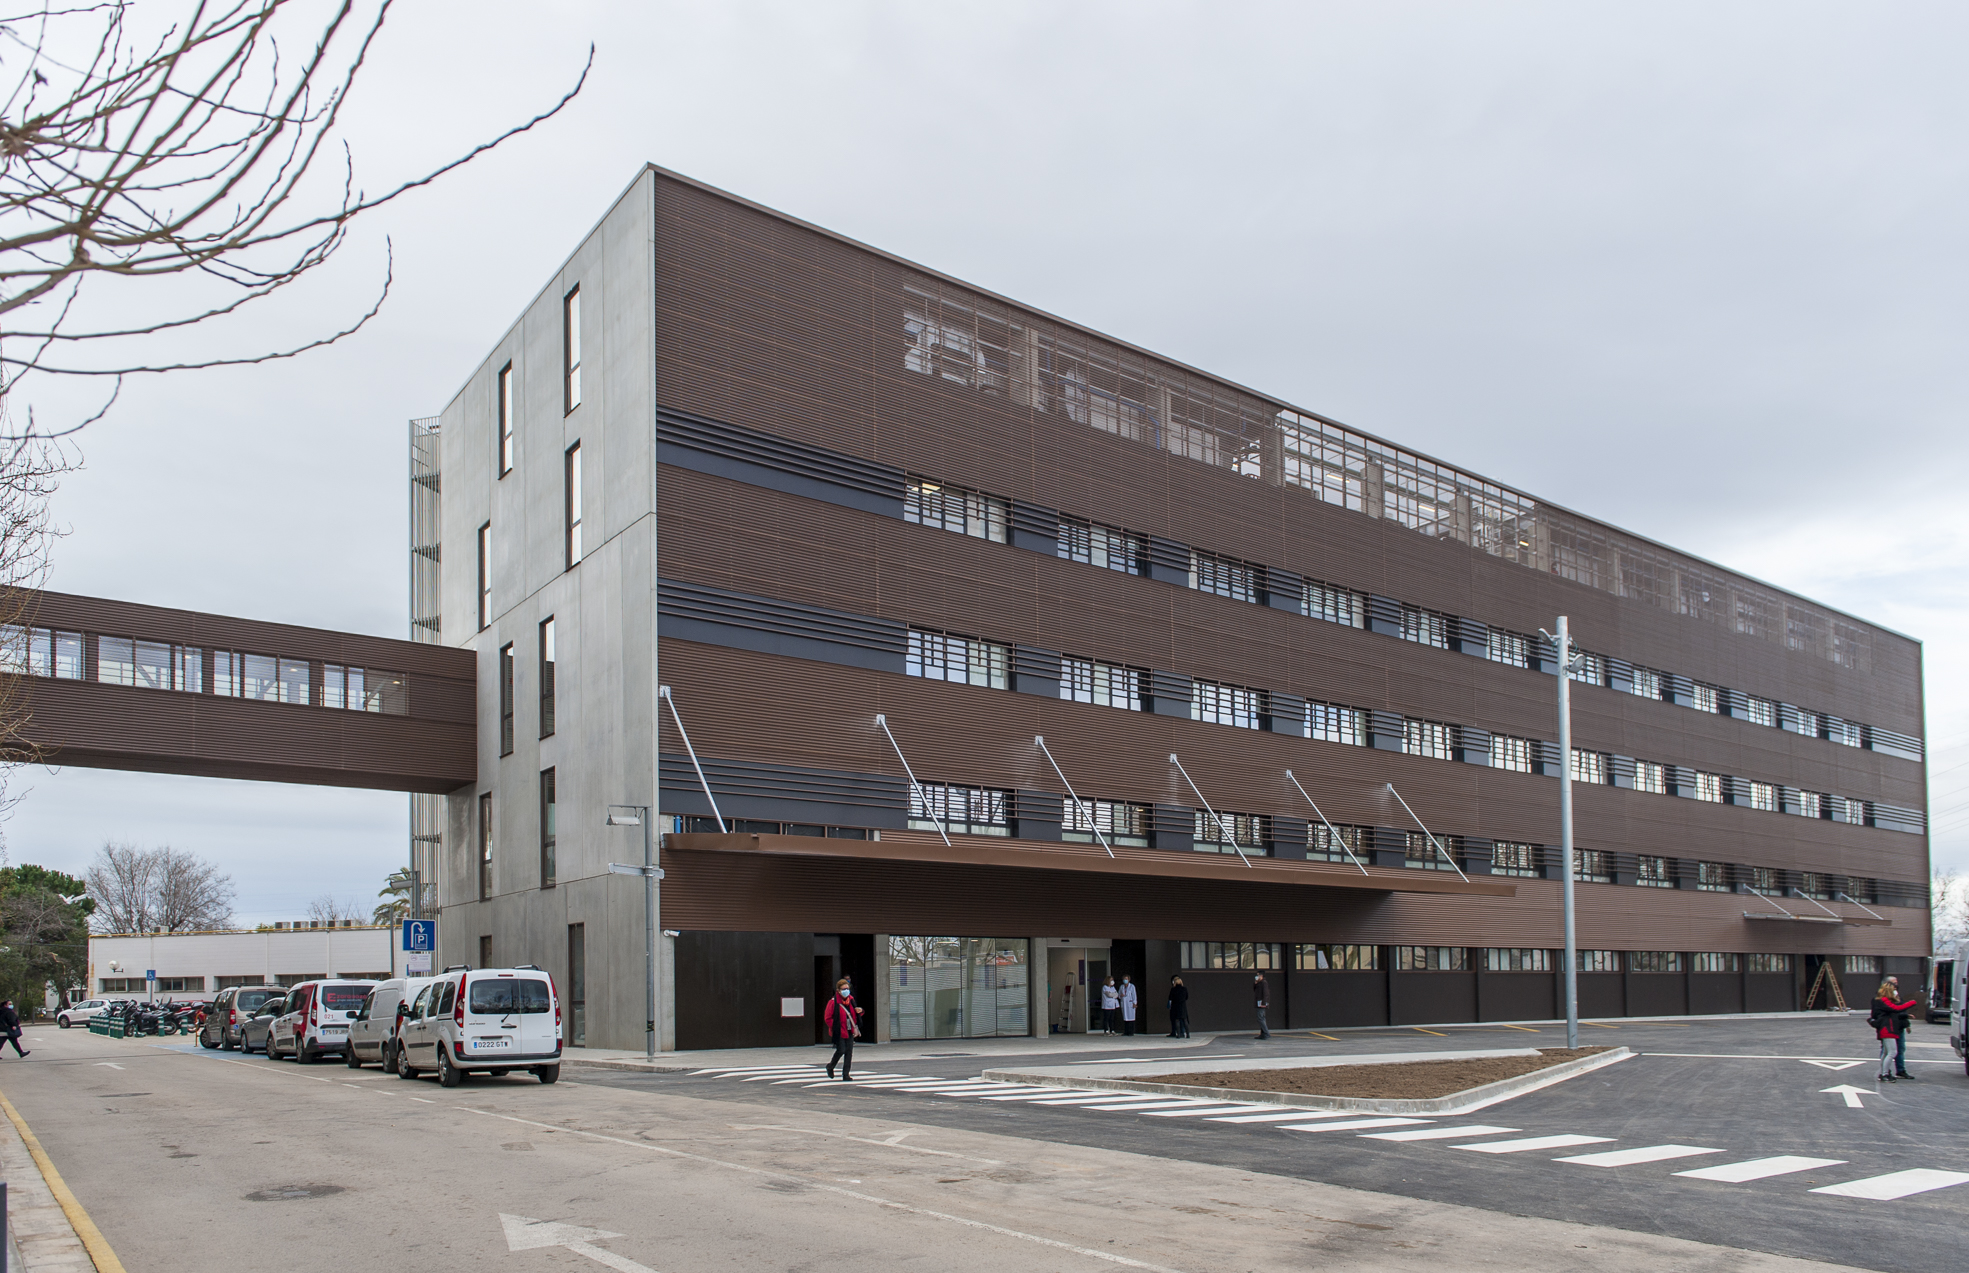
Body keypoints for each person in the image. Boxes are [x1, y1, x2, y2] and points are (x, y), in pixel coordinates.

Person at [1871, 977, 1919, 1081]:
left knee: (1887, 1052)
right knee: (1892, 1052)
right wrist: (1912, 1003)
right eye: (1894, 985)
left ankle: (1885, 1072)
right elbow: (1897, 1009)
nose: (1896, 988)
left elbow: (1897, 1011)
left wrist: (1906, 1019)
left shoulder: (1886, 1000)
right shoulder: (1884, 1001)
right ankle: (1885, 1073)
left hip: (1891, 1028)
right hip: (1888, 1029)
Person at [822, 978, 863, 1080]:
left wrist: (860, 1011)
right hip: (839, 1030)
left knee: (849, 1052)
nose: (846, 991)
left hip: (849, 1030)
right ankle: (830, 1066)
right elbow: (827, 1018)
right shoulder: (833, 1002)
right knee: (841, 1050)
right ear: (838, 990)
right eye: (844, 989)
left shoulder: (851, 1000)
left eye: (847, 989)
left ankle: (846, 1074)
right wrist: (836, 1027)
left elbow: (855, 1014)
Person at [1253, 973, 1271, 1040]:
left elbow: (1266, 993)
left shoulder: (1264, 983)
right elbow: (1254, 990)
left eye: (1258, 975)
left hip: (1261, 1003)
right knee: (1262, 1018)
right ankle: (1263, 1033)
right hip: (1258, 1002)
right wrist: (1255, 983)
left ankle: (1266, 1033)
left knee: (1260, 1018)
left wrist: (1264, 1002)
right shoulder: (1259, 983)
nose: (1257, 977)